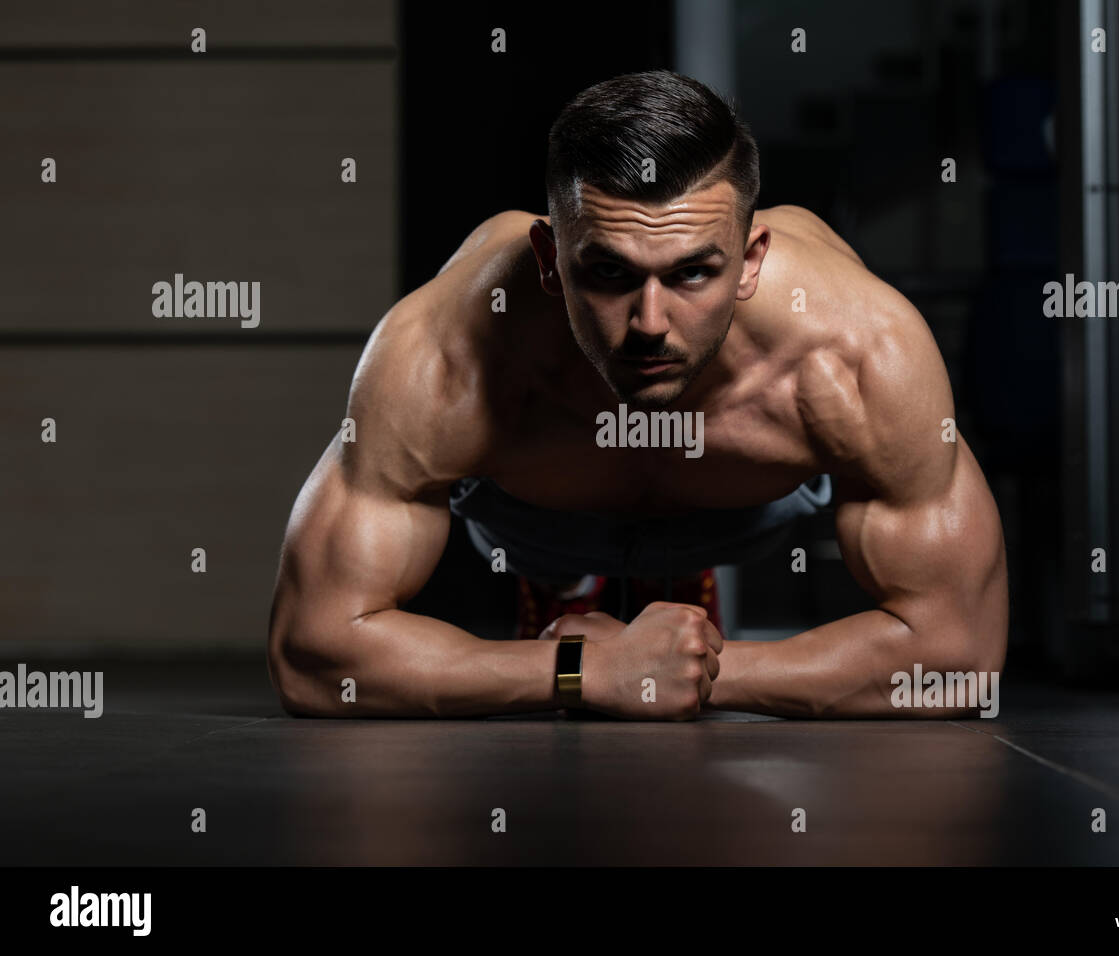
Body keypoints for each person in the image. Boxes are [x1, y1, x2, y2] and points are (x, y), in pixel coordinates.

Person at [267, 70, 1008, 720]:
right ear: (550, 262)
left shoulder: (855, 347)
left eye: (692, 273)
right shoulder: (446, 349)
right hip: (539, 517)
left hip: (738, 509)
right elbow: (313, 653)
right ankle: (566, 585)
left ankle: (666, 597)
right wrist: (587, 672)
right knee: (552, 560)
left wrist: (674, 670)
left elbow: (959, 655)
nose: (649, 326)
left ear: (750, 263)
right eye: (610, 274)